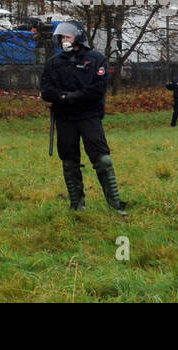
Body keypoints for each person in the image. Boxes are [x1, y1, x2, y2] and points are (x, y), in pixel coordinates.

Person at [40, 21, 126, 215]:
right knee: (69, 162)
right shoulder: (54, 63)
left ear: (78, 37)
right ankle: (77, 204)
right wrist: (60, 96)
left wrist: (71, 96)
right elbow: (46, 91)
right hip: (64, 119)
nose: (64, 40)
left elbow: (97, 89)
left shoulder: (96, 59)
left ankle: (115, 204)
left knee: (103, 160)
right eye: (61, 37)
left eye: (67, 36)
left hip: (89, 116)